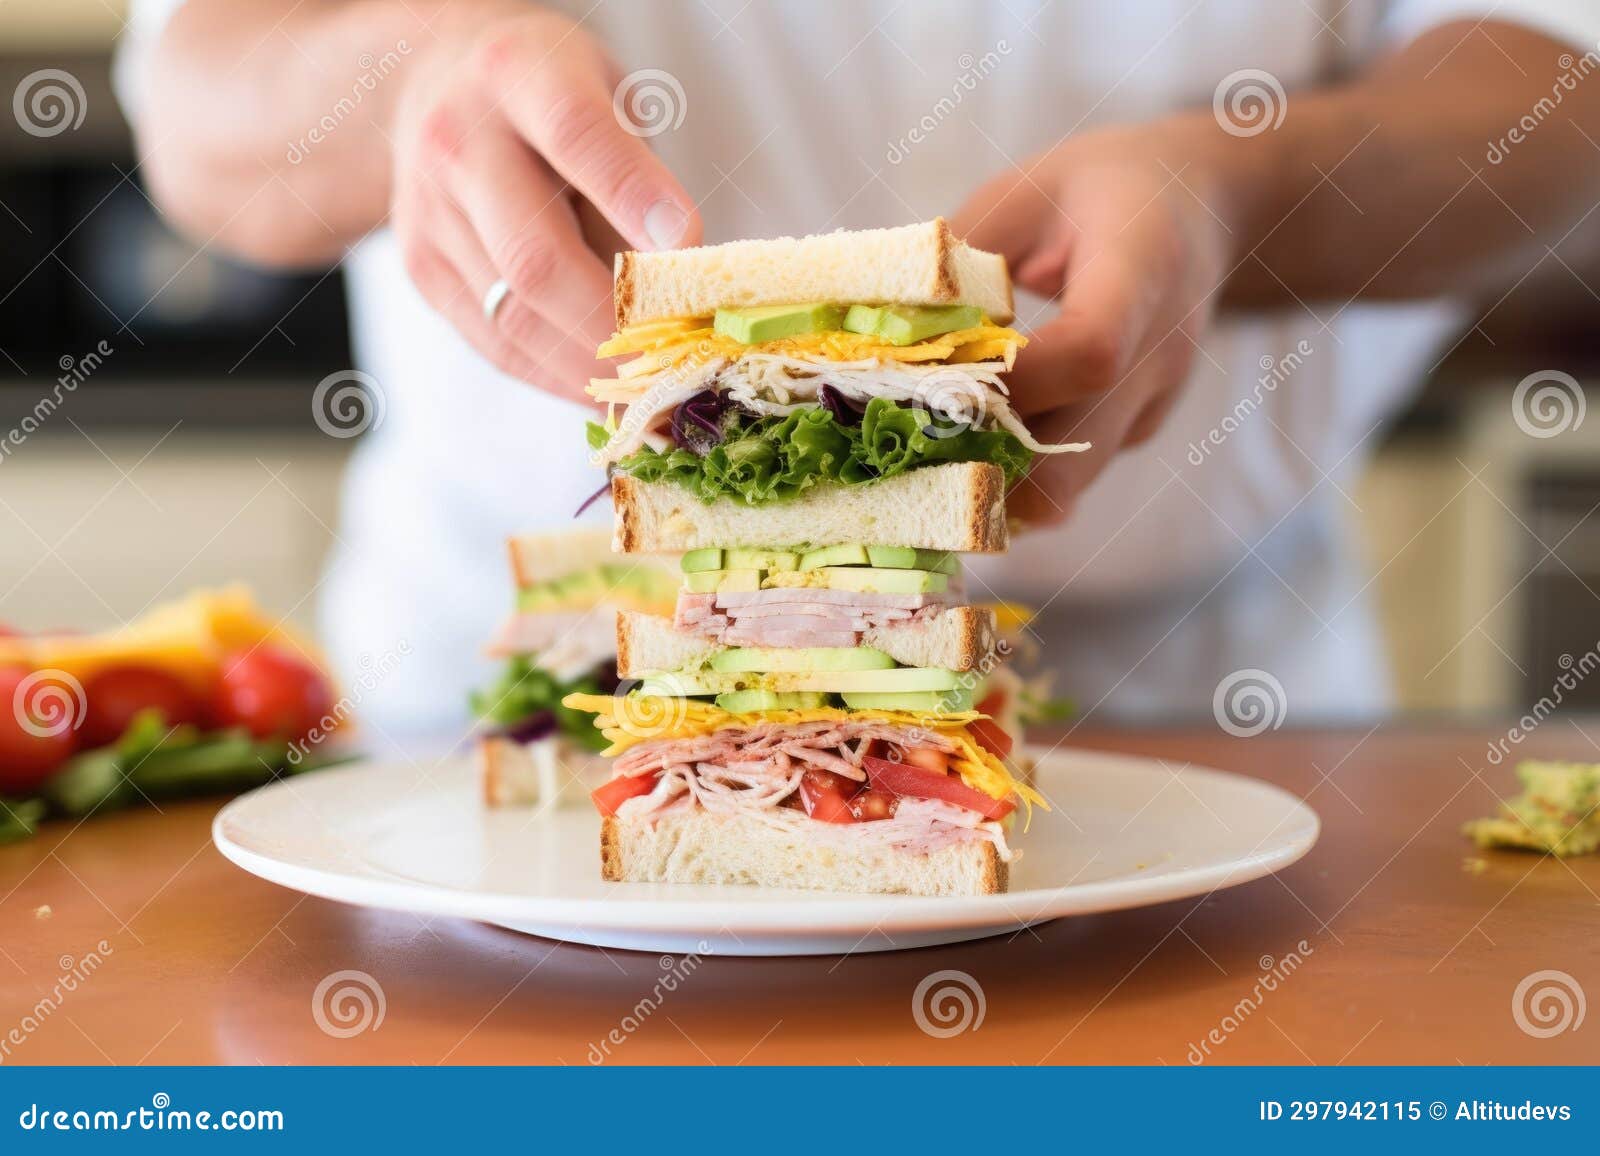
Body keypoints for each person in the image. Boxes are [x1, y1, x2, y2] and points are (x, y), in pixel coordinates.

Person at [117, 0, 1600, 738]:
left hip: (1210, 703)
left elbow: (1559, 85)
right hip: (536, 698)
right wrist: (403, 89)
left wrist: (1242, 188)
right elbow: (195, 96)